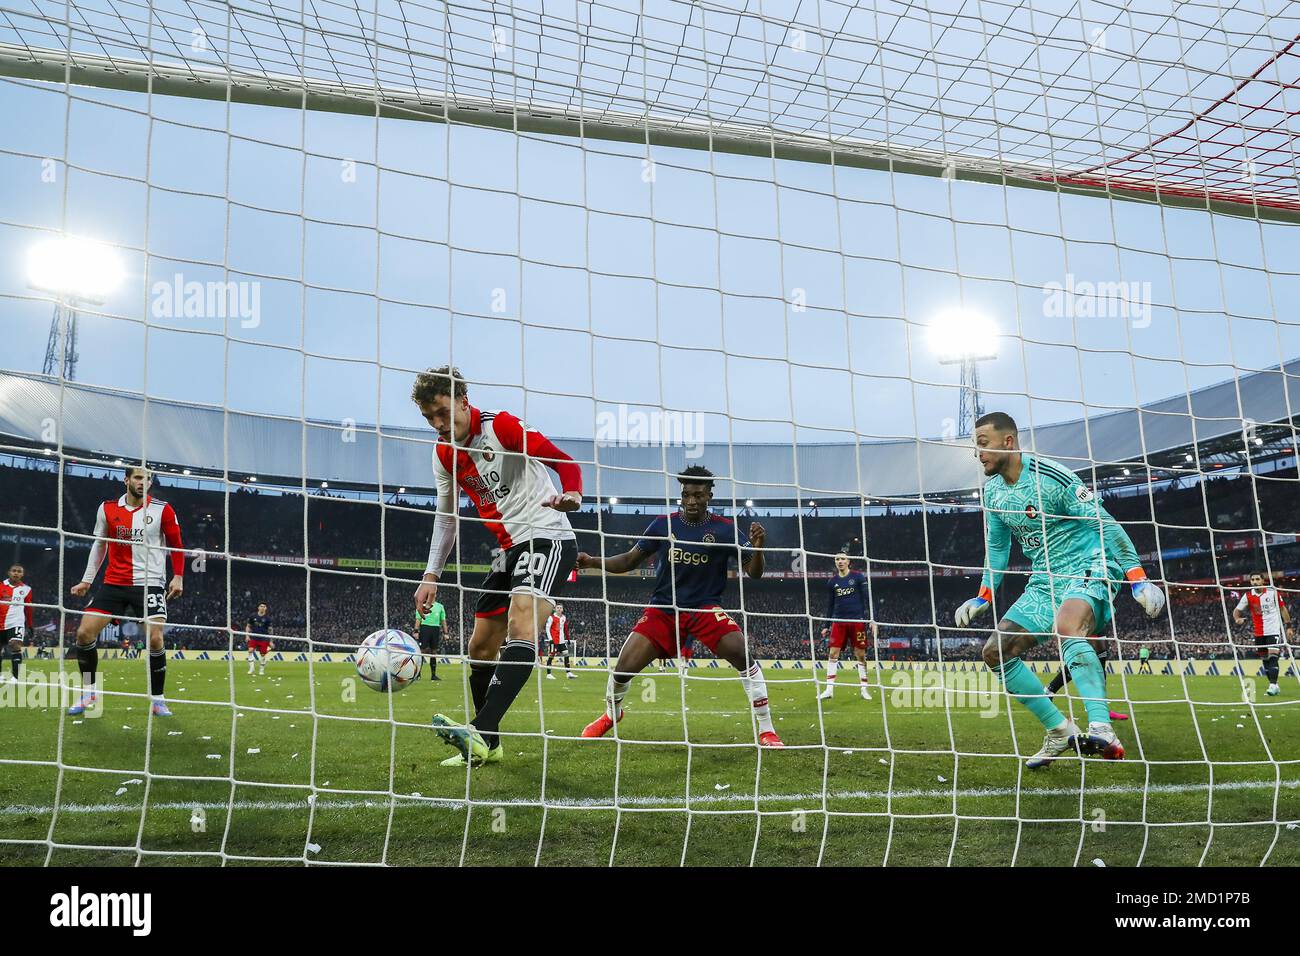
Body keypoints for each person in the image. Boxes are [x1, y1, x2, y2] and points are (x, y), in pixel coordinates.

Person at [953, 413, 1165, 768]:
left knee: (1068, 627)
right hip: (1045, 580)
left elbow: (1103, 522)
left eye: (983, 442)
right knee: (996, 652)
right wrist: (983, 595)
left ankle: (1102, 728)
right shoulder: (993, 492)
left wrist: (1138, 576)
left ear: (1008, 442)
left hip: (1091, 564)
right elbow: (998, 549)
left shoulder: (1051, 476)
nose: (978, 452)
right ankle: (1060, 731)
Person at [411, 366, 583, 767]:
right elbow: (447, 518)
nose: (437, 424)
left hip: (548, 535)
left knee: (523, 624)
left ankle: (479, 730)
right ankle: (492, 743)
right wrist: (430, 574)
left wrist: (572, 492)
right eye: (429, 418)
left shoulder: (502, 427)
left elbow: (563, 461)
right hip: (508, 550)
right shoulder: (443, 454)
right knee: (480, 646)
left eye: (441, 412)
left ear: (462, 401)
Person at [577, 465, 783, 748]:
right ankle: (612, 714)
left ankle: (767, 729)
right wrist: (592, 561)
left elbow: (755, 573)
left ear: (709, 495)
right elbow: (627, 561)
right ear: (681, 495)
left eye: (698, 495)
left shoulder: (725, 530)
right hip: (663, 609)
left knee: (742, 654)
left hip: (705, 609)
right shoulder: (663, 525)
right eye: (686, 495)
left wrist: (758, 547)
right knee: (623, 669)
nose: (692, 501)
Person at [67, 466, 185, 717]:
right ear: (127, 480)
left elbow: (176, 545)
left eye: (148, 479)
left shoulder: (162, 509)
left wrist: (178, 576)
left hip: (151, 582)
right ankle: (89, 692)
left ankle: (158, 699)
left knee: (155, 638)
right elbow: (100, 545)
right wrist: (87, 581)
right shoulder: (107, 509)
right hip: (115, 582)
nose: (144, 483)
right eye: (139, 478)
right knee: (84, 633)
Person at [1233, 572, 1293, 697]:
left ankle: (1272, 685)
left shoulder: (1272, 592)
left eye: (1257, 579)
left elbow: (1283, 609)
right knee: (1265, 660)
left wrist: (1288, 627)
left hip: (1273, 630)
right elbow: (1236, 611)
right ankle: (1275, 685)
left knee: (1272, 657)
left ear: (1262, 581)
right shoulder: (1248, 595)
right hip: (1259, 632)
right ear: (1250, 582)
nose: (1255, 582)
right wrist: (1237, 619)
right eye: (1252, 580)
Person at [0, 564, 33, 683]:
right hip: (1, 622)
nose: (16, 573)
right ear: (9, 572)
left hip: (16, 622)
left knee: (15, 645)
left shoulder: (27, 589)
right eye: (14, 571)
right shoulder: (1, 586)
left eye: (19, 571)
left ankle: (15, 677)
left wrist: (30, 625)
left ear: (22, 574)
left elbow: (29, 608)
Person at [416, 598, 446, 681]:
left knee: (434, 652)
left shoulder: (440, 606)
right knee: (422, 651)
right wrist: (416, 630)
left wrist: (446, 632)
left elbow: (443, 620)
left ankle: (433, 675)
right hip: (424, 628)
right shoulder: (421, 605)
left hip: (435, 629)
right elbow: (418, 619)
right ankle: (418, 675)